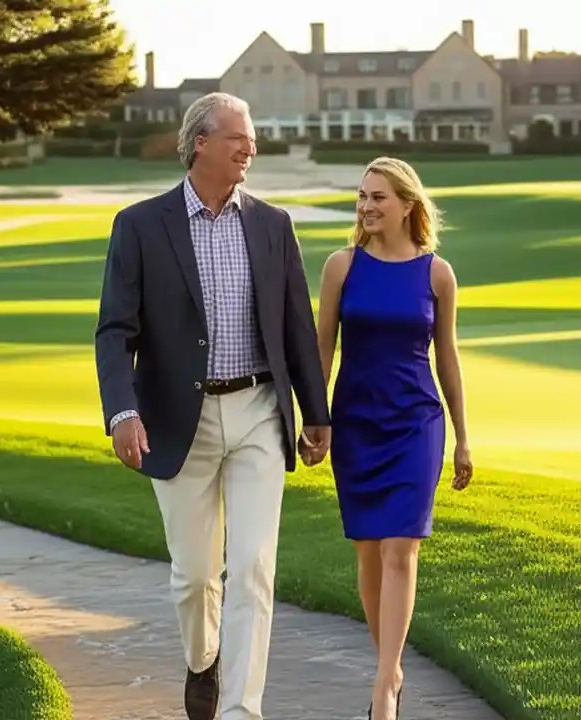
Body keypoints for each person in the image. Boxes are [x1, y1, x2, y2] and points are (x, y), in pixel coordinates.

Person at [94, 92, 331, 720]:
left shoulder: (273, 224)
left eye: (252, 138)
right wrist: (122, 412)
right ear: (201, 142)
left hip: (258, 412)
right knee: (196, 576)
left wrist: (316, 413)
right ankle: (203, 662)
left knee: (252, 567)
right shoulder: (140, 225)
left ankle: (239, 711)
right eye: (238, 137)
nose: (250, 147)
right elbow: (115, 330)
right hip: (178, 421)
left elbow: (296, 327)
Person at [309, 156, 473, 720]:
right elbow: (321, 350)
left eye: (378, 197)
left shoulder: (437, 273)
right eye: (362, 196)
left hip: (416, 421)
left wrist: (463, 437)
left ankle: (383, 690)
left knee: (400, 547)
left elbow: (447, 358)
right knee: (368, 551)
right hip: (356, 420)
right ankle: (391, 668)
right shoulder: (341, 266)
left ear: (408, 204)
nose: (367, 206)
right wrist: (313, 417)